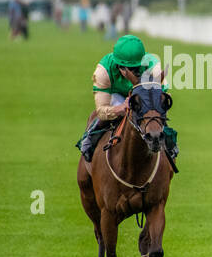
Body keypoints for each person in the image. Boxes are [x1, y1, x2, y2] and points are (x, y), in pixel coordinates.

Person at [75, 34, 175, 162]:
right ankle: (89, 140)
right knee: (106, 116)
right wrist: (120, 108)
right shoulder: (103, 71)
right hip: (116, 96)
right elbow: (101, 110)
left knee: (156, 118)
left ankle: (171, 147)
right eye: (130, 69)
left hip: (144, 99)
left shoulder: (152, 66)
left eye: (137, 67)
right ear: (119, 66)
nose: (135, 73)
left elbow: (164, 99)